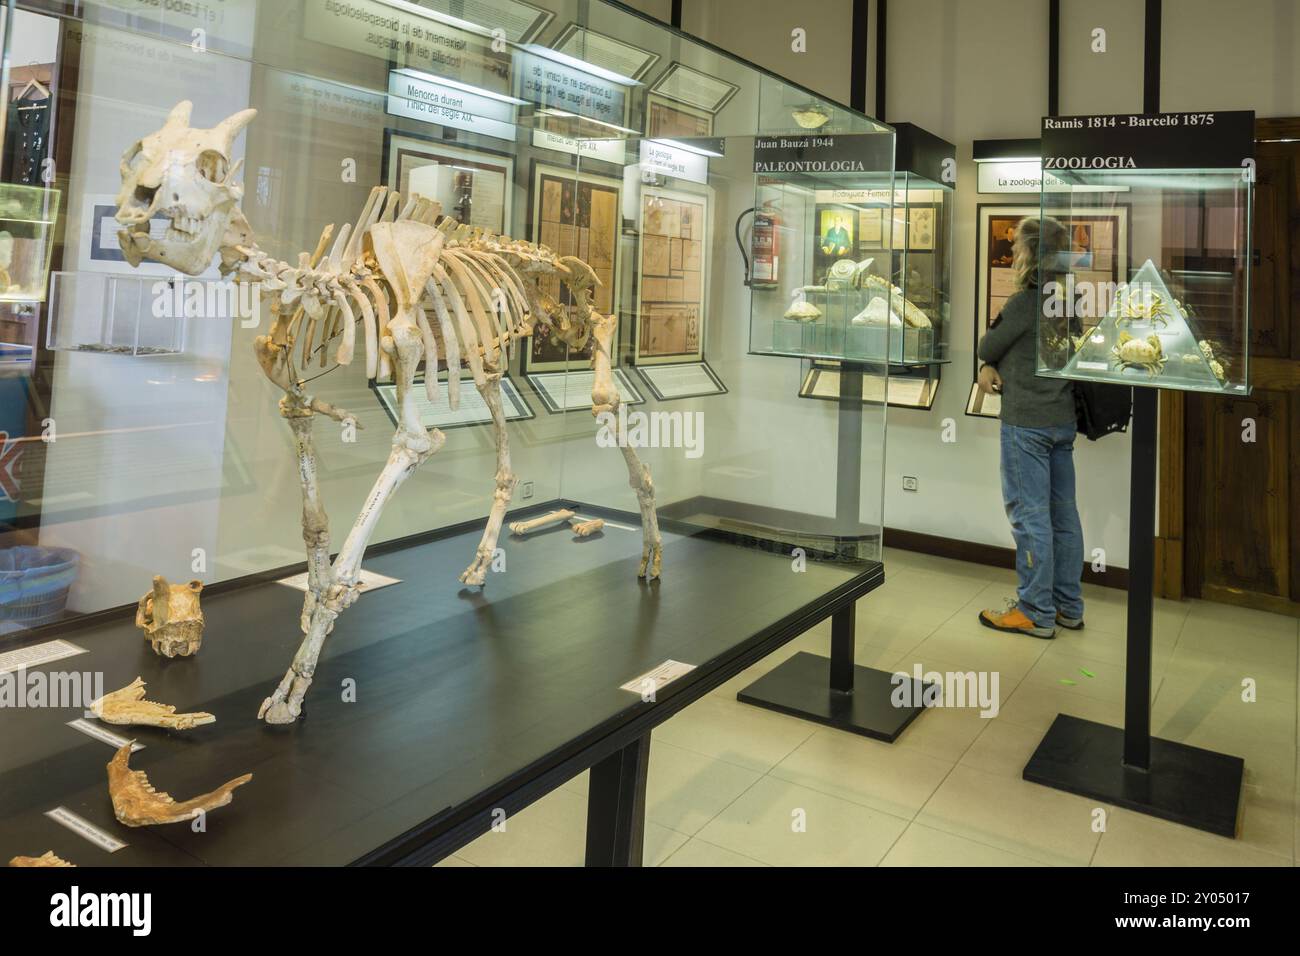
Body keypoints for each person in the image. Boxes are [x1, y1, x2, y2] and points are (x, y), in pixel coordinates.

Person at [975, 216, 1085, 638]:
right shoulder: (1068, 299)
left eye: (1019, 246)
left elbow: (989, 345)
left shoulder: (1023, 302)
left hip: (1027, 425)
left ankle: (1035, 611)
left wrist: (988, 363)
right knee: (1063, 515)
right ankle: (1067, 606)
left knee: (1029, 516)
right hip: (1061, 421)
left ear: (1029, 253)